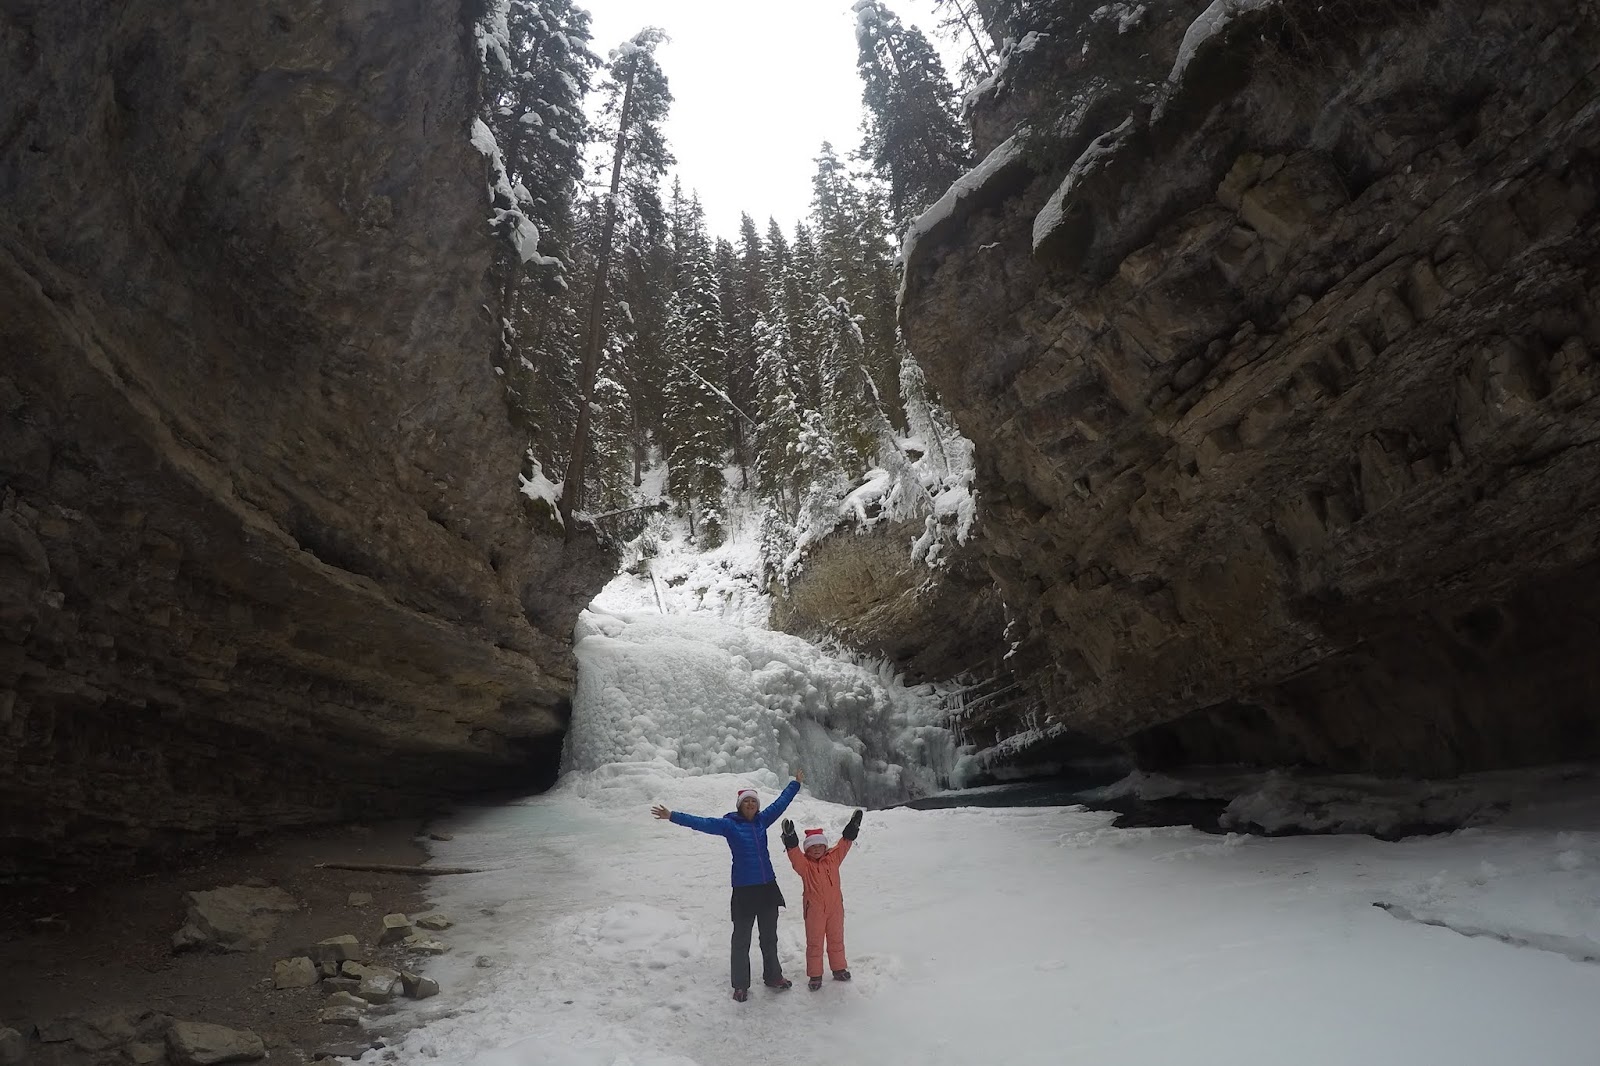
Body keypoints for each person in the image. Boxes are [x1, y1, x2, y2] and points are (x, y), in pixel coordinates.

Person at [651, 769, 803, 1001]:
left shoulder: (763, 820)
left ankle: (773, 976)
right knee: (741, 939)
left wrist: (795, 785)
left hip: (767, 887)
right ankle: (740, 985)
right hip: (744, 889)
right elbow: (701, 823)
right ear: (740, 805)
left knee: (769, 937)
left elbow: (781, 804)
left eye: (754, 801)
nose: (751, 804)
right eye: (747, 801)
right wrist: (672, 815)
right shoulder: (730, 825)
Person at [781, 809, 862, 990]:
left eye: (819, 846)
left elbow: (845, 844)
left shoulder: (833, 859)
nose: (817, 849)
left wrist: (853, 826)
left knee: (836, 938)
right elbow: (794, 854)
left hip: (835, 908)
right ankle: (815, 975)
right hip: (814, 910)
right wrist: (790, 837)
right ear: (807, 849)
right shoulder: (805, 866)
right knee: (815, 942)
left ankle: (839, 968)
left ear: (825, 847)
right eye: (812, 847)